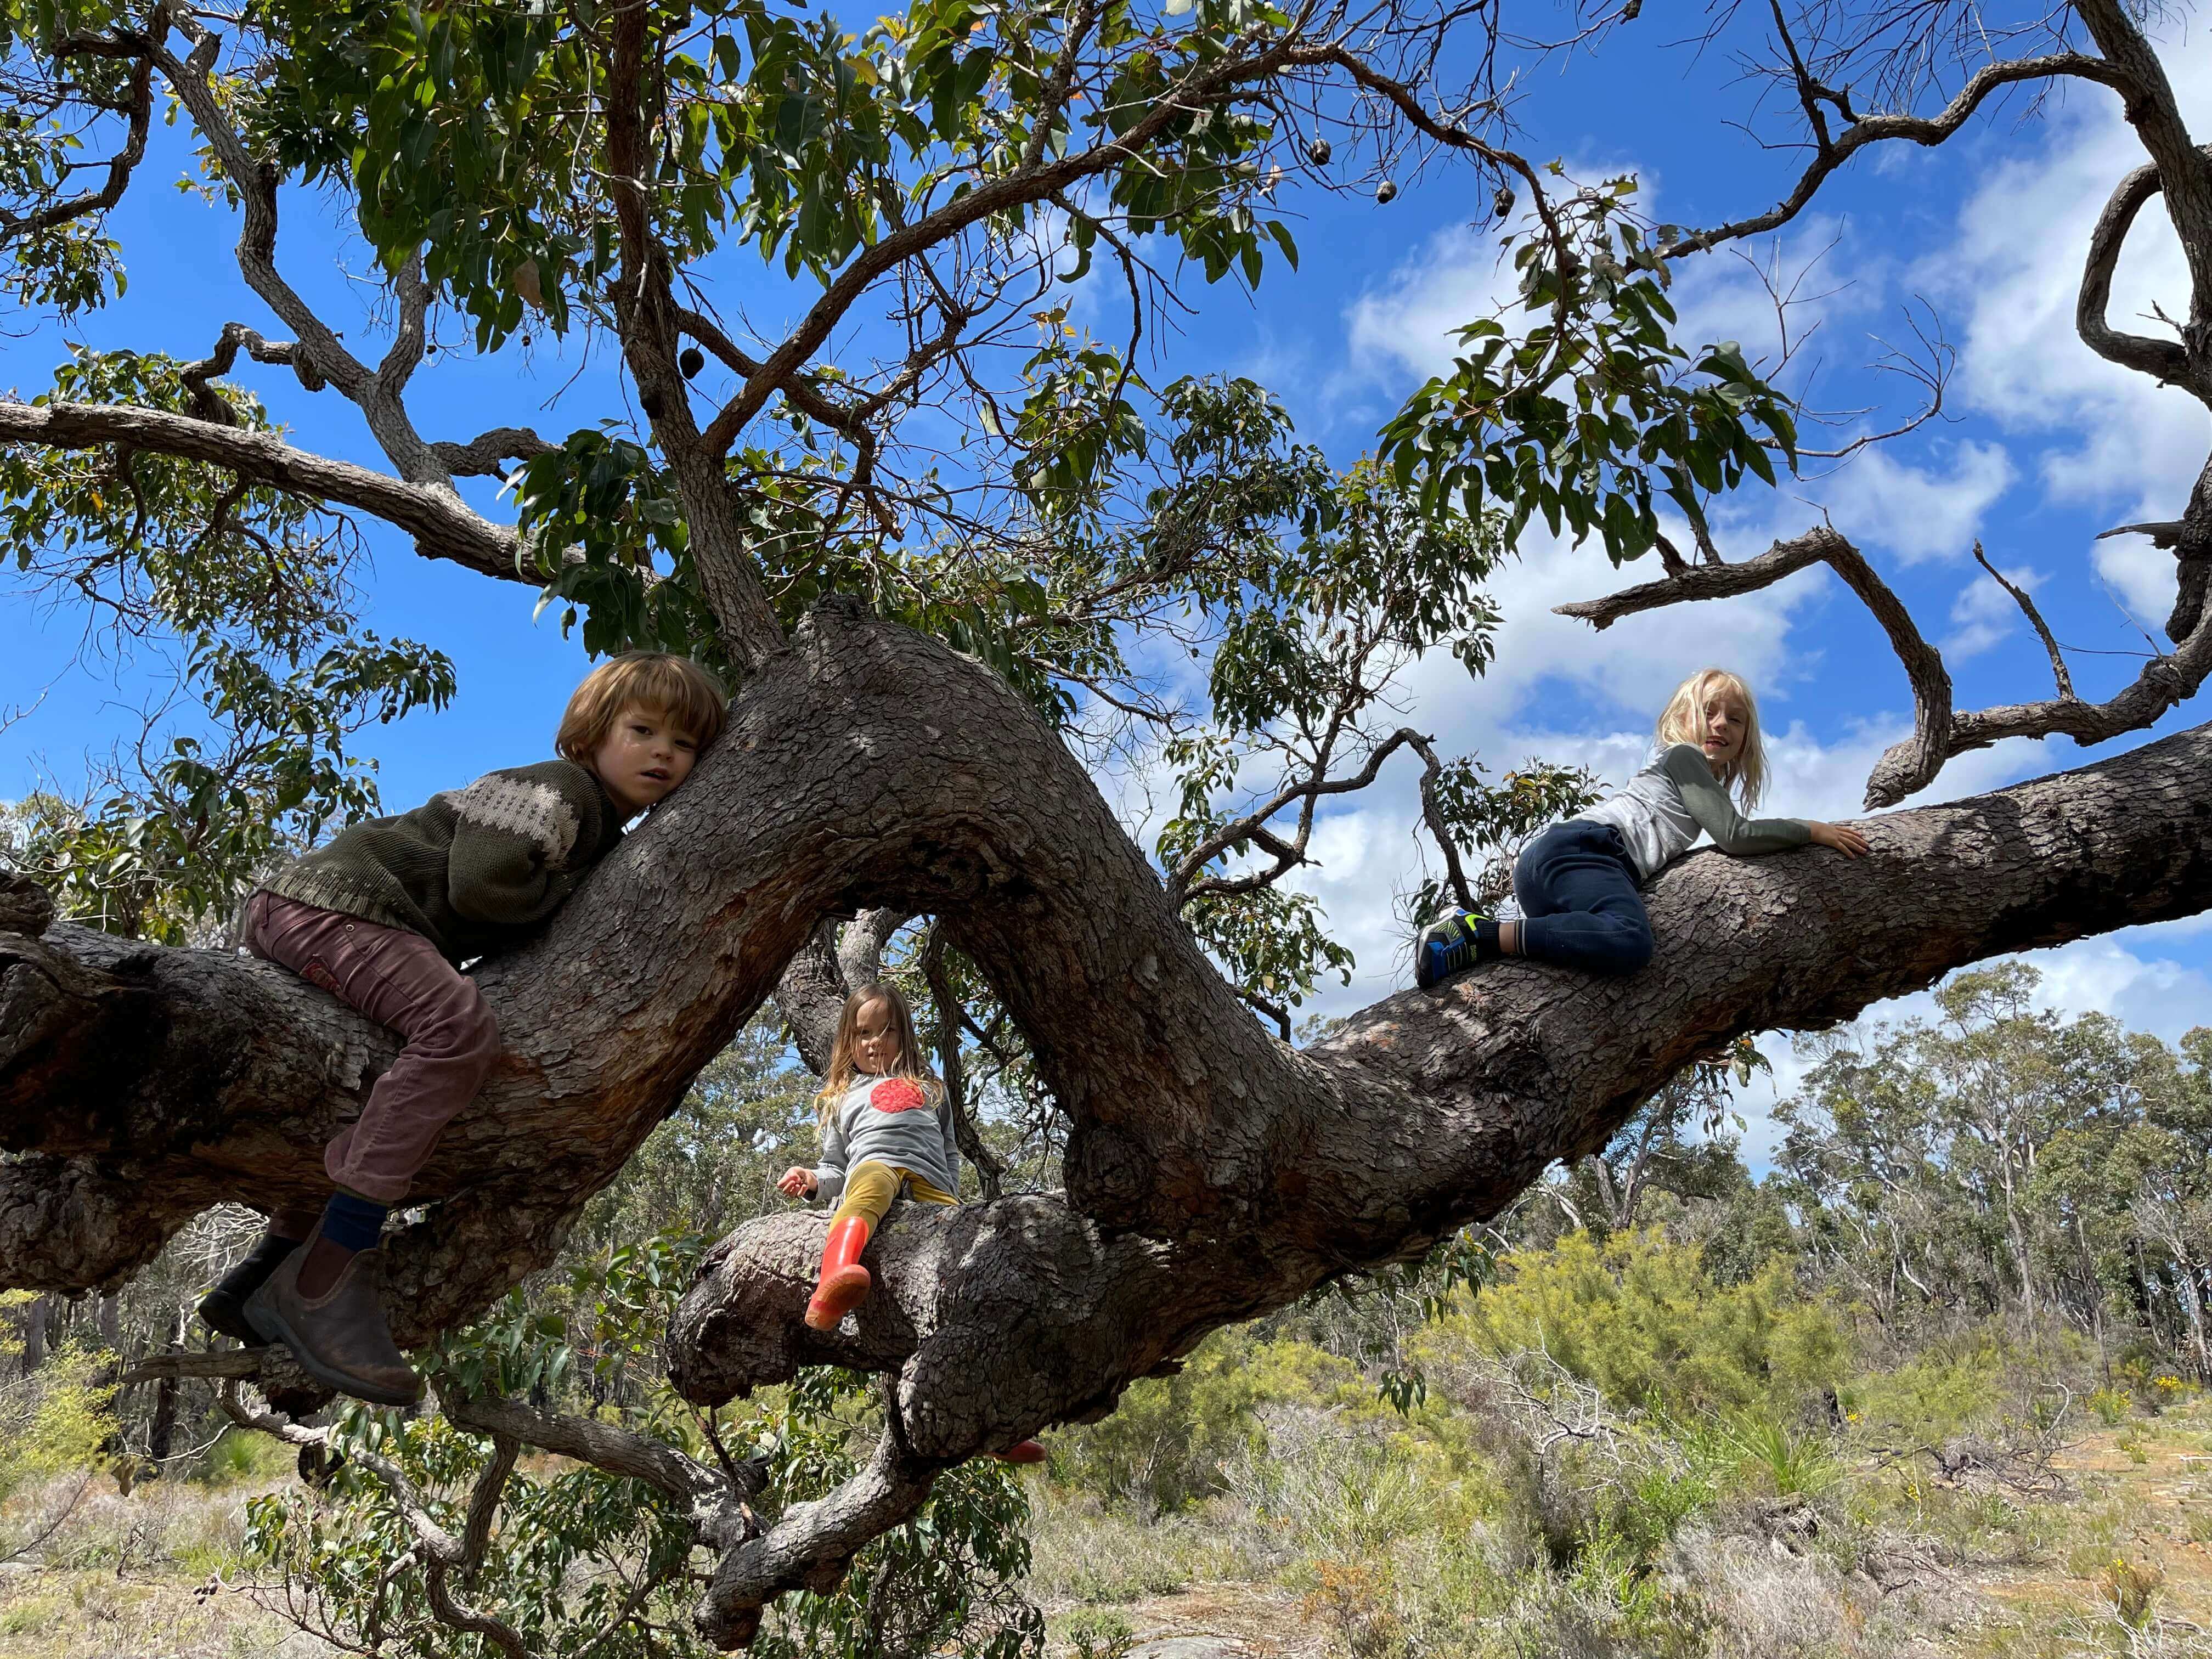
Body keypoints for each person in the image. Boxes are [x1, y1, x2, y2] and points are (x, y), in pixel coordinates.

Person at [195, 652, 729, 1406]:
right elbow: (479, 885)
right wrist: (575, 893)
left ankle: (259, 1275)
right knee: (456, 1031)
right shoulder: (561, 789)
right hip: (339, 905)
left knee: (383, 1082)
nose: (664, 753)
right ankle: (327, 1273)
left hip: (331, 915)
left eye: (684, 745)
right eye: (642, 730)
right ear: (591, 735)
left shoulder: (599, 823)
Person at [1418, 667, 1868, 986]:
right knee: (1629, 940)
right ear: (1681, 720)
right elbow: (1736, 836)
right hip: (1588, 850)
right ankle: (1479, 932)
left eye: (1735, 718)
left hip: (1551, 870)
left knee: (1595, 957)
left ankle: (1461, 951)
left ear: (1746, 737)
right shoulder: (1685, 758)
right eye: (1709, 712)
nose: (1721, 725)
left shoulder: (1694, 778)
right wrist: (1811, 830)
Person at [778, 983, 1045, 1464]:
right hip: (874, 1167)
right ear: (848, 1041)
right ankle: (831, 1282)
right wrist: (811, 1179)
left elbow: (949, 1153)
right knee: (866, 1192)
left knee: (969, 1288)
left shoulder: (932, 1089)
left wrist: (957, 1206)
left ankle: (997, 1427)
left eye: (887, 1032)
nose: (875, 1043)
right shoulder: (844, 1097)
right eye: (863, 1034)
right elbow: (836, 1169)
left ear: (905, 1037)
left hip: (931, 1181)